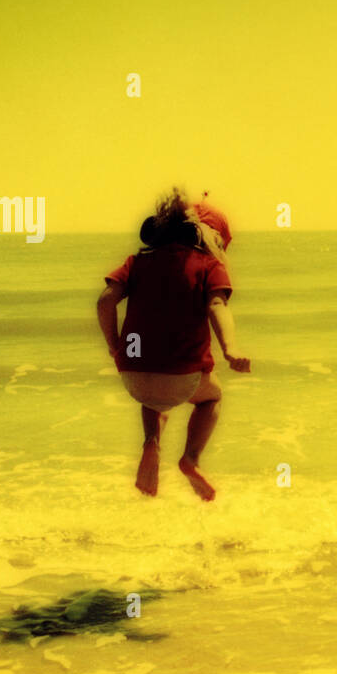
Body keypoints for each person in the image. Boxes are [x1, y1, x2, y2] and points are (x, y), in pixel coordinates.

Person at [97, 187, 250, 500]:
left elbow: (104, 301)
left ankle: (150, 443)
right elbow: (217, 307)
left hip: (134, 379)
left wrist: (115, 347)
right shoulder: (210, 267)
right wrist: (230, 348)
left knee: (155, 396)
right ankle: (190, 460)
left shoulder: (136, 263)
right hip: (183, 379)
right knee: (211, 397)